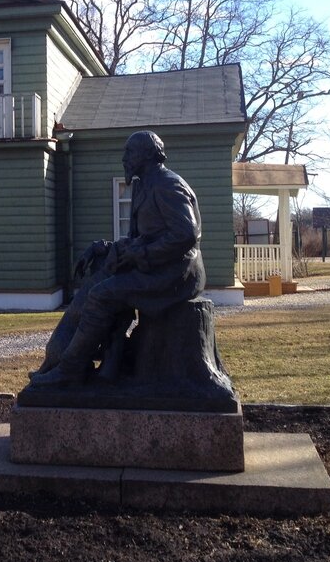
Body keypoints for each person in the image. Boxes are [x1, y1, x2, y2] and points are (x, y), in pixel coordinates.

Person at [29, 130, 205, 388]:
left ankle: (70, 369)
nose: (124, 158)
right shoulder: (144, 185)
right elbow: (144, 237)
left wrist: (141, 254)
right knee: (101, 275)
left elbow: (185, 235)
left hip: (176, 274)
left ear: (146, 155)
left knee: (103, 294)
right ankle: (107, 368)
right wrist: (103, 248)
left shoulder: (167, 184)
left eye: (129, 153)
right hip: (157, 266)